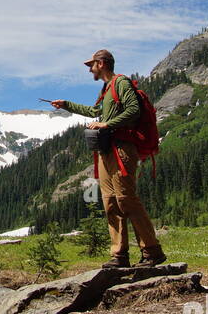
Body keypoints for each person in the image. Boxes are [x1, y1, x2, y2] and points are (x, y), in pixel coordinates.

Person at [52, 49, 165, 269]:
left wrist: (107, 124)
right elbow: (95, 110)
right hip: (106, 150)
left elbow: (133, 110)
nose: (89, 70)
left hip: (122, 149)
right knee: (110, 201)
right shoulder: (106, 90)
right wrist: (66, 104)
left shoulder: (121, 83)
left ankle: (152, 251)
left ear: (101, 63)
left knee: (126, 198)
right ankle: (119, 255)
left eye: (91, 65)